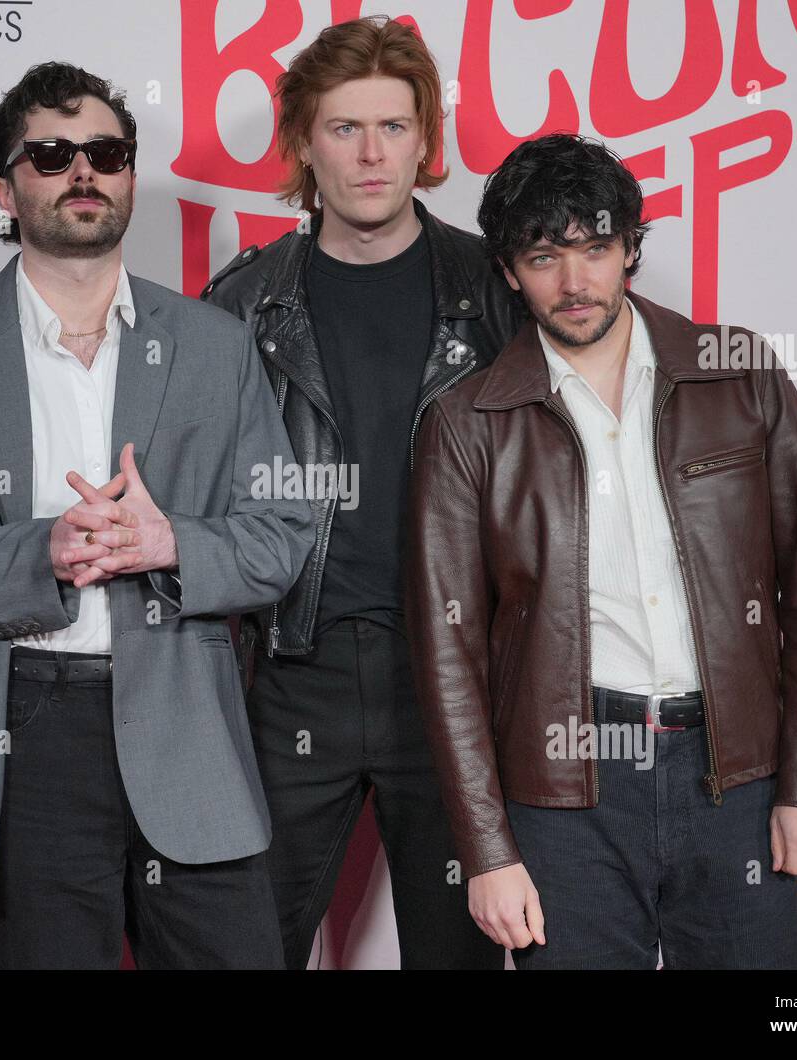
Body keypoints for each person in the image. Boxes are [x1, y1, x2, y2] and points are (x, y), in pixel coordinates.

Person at [0, 61, 313, 969]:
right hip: (23, 734)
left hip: (185, 718)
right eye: (52, 155)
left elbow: (283, 535)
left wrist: (173, 543)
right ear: (6, 188)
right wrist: (39, 556)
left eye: (107, 151)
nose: (83, 171)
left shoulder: (216, 347)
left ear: (131, 173)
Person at [407, 131, 797, 969]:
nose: (575, 283)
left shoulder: (742, 375)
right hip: (564, 796)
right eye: (544, 257)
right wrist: (489, 850)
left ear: (631, 249)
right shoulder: (467, 423)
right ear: (508, 270)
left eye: (596, 248)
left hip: (738, 777)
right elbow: (446, 653)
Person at [202, 15, 521, 969]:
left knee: (459, 954)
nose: (372, 154)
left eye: (394, 126)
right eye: (345, 129)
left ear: (427, 140)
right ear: (304, 143)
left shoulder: (498, 288)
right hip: (291, 671)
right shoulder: (244, 303)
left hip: (454, 680)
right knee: (242, 948)